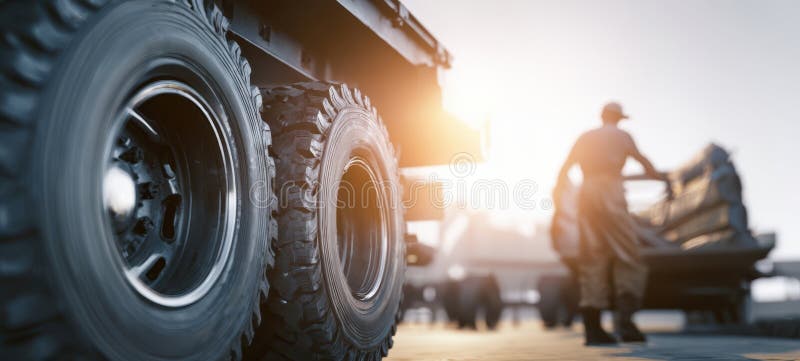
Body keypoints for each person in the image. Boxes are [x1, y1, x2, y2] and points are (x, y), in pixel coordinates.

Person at [553, 102, 667, 345]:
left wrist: (559, 195)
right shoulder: (622, 136)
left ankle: (593, 329)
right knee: (628, 256)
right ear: (618, 118)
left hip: (587, 193)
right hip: (610, 192)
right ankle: (626, 324)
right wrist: (662, 179)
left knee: (592, 257)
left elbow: (564, 169)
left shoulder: (585, 137)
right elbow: (643, 161)